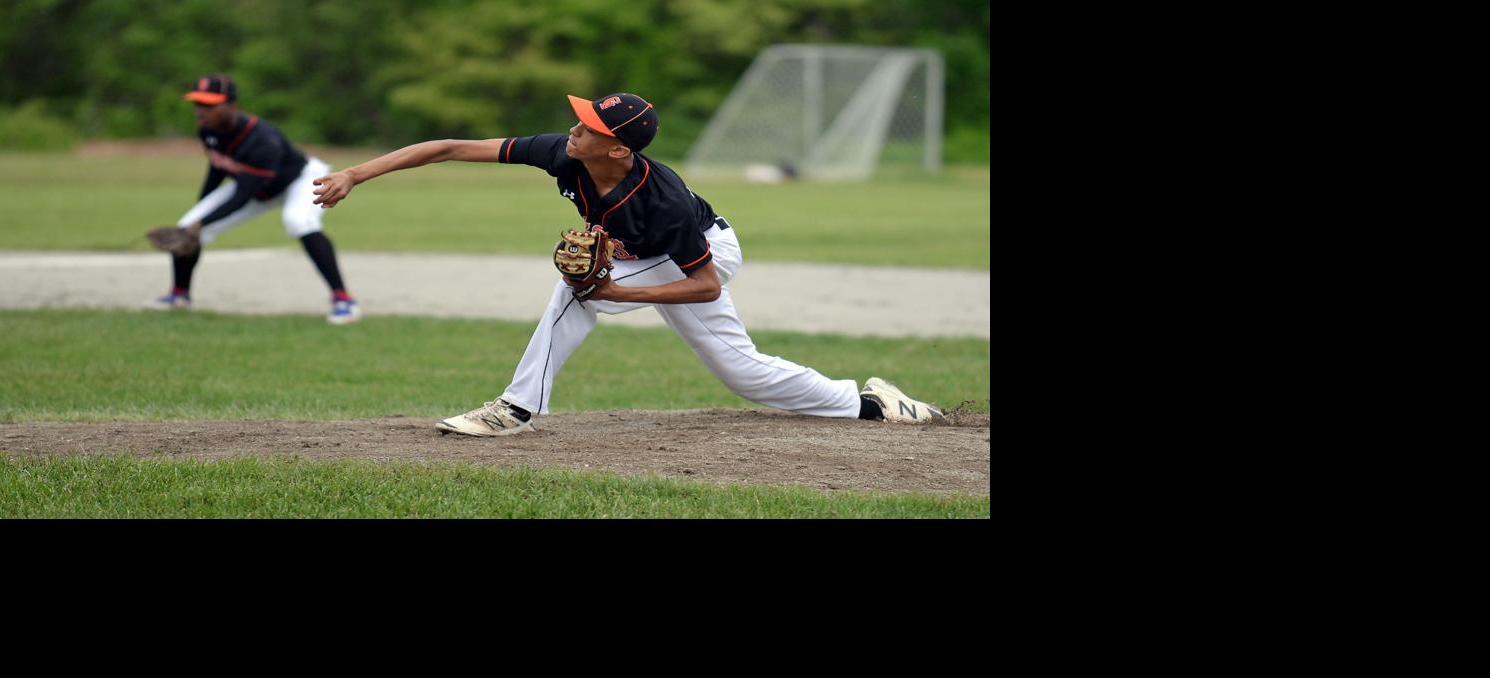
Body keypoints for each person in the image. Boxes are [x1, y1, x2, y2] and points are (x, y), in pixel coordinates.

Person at [311, 92, 941, 432]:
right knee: (743, 374)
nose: (572, 131)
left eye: (586, 128)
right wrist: (356, 174)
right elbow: (450, 147)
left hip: (699, 252)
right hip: (647, 256)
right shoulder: (563, 154)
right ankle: (870, 404)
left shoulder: (661, 199)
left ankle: (515, 410)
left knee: (578, 293)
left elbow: (704, 284)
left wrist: (618, 295)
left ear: (616, 150)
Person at [158, 74, 359, 325]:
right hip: (256, 186)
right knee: (187, 224)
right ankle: (179, 295)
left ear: (232, 105)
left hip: (300, 180)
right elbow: (218, 169)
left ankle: (343, 299)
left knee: (298, 221)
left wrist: (201, 223)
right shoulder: (207, 130)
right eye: (198, 104)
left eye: (210, 104)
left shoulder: (262, 140)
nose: (201, 111)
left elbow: (243, 196)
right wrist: (199, 214)